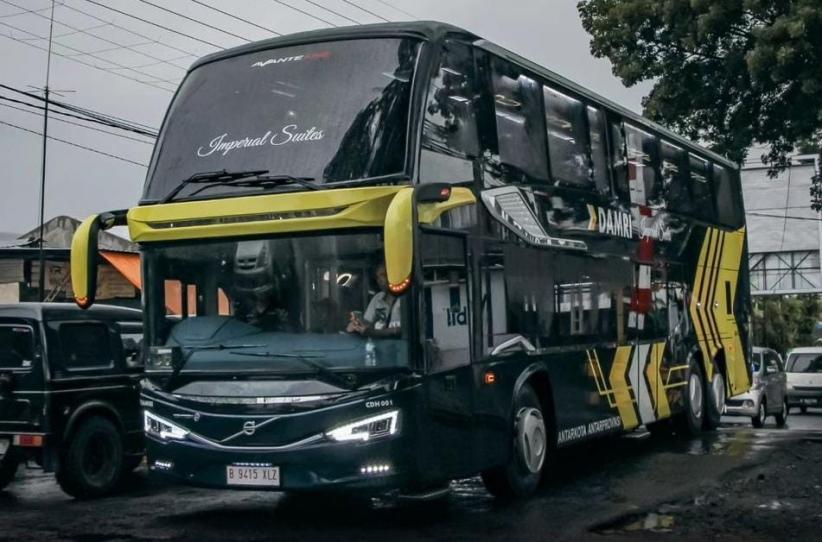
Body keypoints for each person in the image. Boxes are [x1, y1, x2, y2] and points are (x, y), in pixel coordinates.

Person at [347, 263, 401, 338]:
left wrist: (374, 333)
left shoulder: (405, 299)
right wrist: (357, 324)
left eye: (383, 275)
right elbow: (368, 323)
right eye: (377, 277)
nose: (380, 280)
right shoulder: (378, 298)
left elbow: (402, 330)